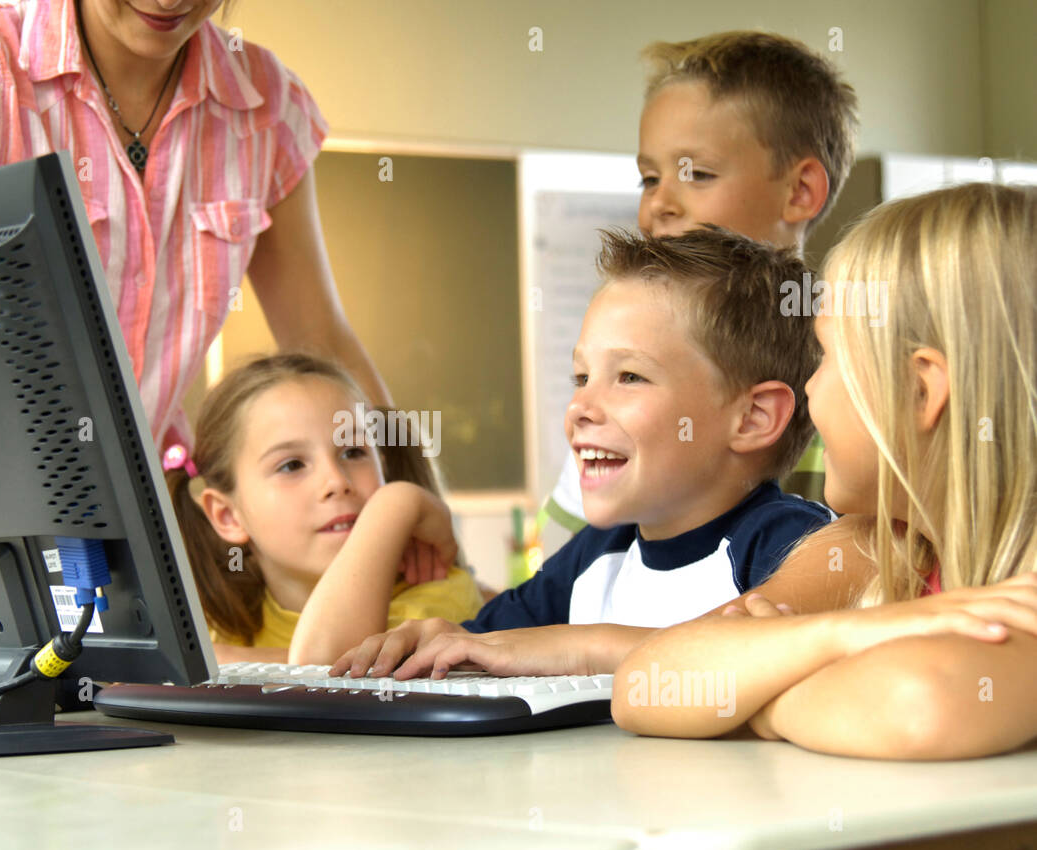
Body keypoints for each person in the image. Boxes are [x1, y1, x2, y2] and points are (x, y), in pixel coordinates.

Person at [0, 0, 391, 704]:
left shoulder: (264, 107)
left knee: (98, 806)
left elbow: (320, 338)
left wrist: (410, 498)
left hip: (117, 557)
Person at [611, 183, 1037, 760]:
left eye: (828, 355)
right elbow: (648, 682)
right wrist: (846, 634)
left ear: (920, 389)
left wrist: (758, 696)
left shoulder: (1021, 599)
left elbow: (918, 703)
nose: (809, 388)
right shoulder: (880, 547)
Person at [332, 227, 831, 679]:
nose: (579, 407)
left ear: (754, 418)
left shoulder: (794, 543)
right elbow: (488, 644)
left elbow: (760, 649)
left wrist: (574, 648)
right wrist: (443, 640)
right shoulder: (595, 553)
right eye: (581, 378)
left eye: (630, 376)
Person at [540, 30, 858, 539]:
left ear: (800, 191)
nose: (659, 204)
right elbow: (560, 580)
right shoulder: (613, 410)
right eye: (649, 178)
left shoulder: (854, 381)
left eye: (698, 174)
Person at [165, 352, 484, 665]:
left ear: (383, 469)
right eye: (291, 465)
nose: (336, 481)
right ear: (228, 516)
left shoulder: (437, 600)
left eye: (354, 452)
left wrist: (397, 502)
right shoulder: (218, 624)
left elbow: (340, 676)